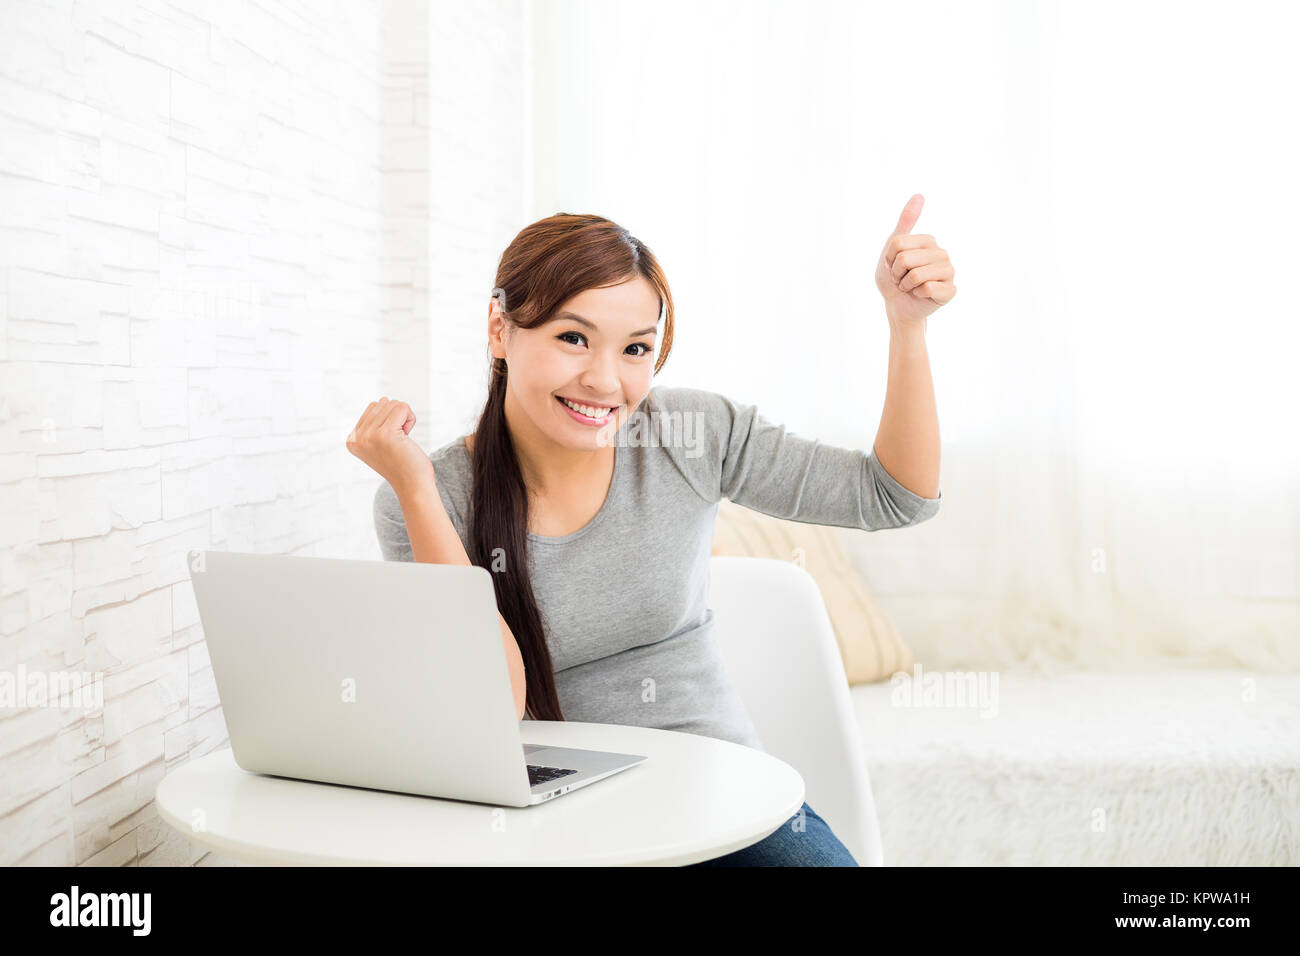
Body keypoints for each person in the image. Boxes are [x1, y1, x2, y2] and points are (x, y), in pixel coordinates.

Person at [347, 206, 955, 865]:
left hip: (721, 804)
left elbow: (896, 497)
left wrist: (908, 326)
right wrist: (415, 491)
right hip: (549, 828)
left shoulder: (692, 436)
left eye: (635, 349)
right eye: (573, 338)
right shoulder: (427, 495)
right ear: (500, 329)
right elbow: (488, 711)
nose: (605, 381)